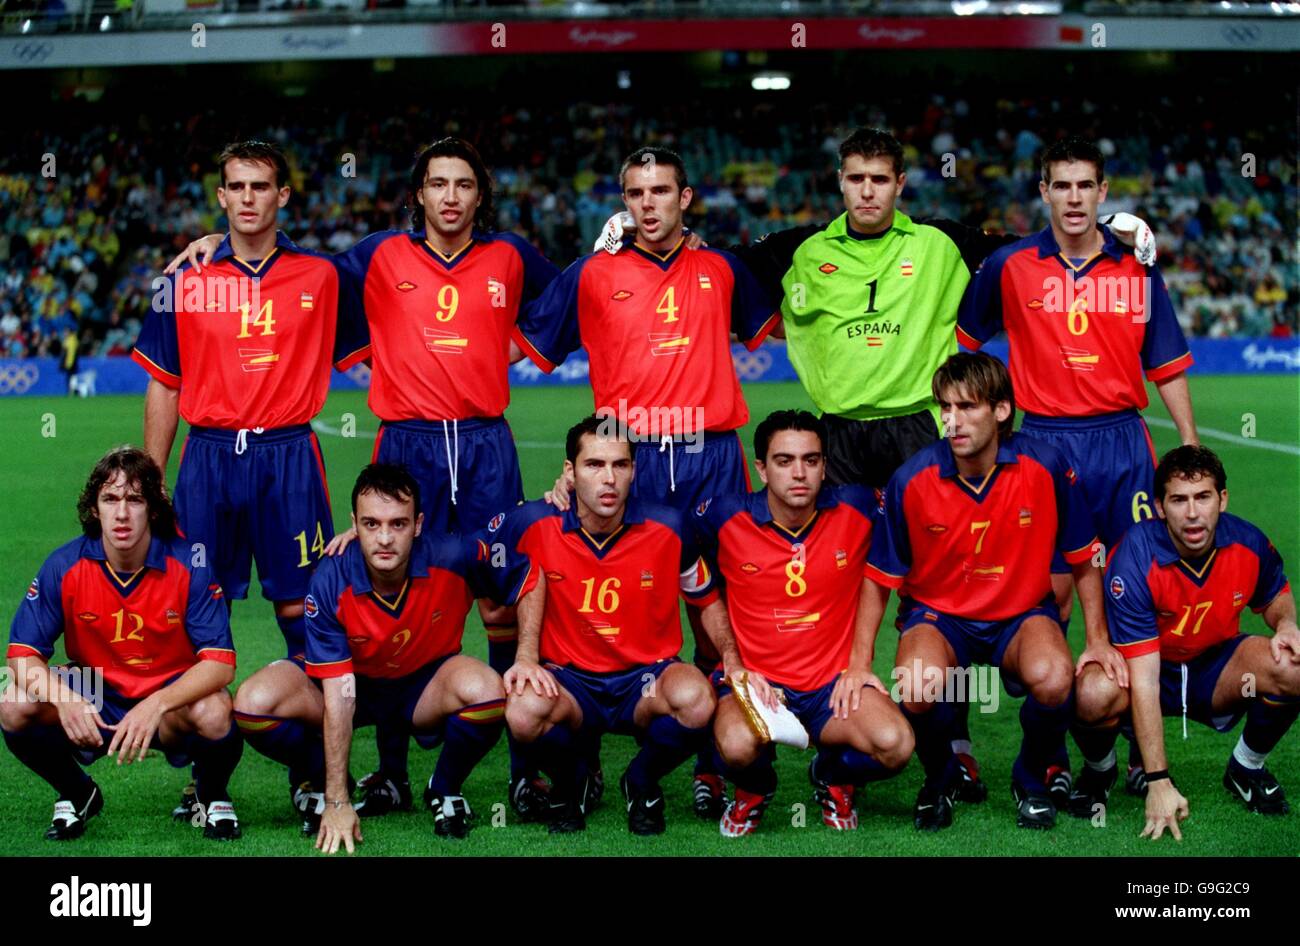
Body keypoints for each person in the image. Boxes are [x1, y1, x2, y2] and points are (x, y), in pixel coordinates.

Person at [167, 137, 561, 819]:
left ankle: (525, 770)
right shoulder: (375, 256)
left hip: (486, 444)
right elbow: (286, 259)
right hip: (406, 440)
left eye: (464, 184)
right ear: (417, 194)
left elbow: (581, 292)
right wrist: (220, 239)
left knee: (499, 602)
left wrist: (652, 242)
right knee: (390, 584)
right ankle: (390, 771)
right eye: (437, 183)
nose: (450, 196)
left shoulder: (512, 255)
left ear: (481, 195)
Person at [520, 146, 780, 820]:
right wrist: (579, 469)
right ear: (623, 202)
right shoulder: (592, 273)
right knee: (604, 609)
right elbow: (530, 343)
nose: (648, 204)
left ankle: (714, 764)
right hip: (628, 458)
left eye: (661, 191)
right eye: (635, 193)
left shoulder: (721, 268)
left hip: (710, 455)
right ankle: (585, 757)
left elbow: (779, 319)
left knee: (719, 611)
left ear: (685, 198)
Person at [957, 136, 1197, 801]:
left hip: (1122, 444)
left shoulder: (1137, 269)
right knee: (1051, 597)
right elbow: (966, 344)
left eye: (1084, 185)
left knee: (1133, 586)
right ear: (1043, 192)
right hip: (1044, 443)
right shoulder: (1010, 265)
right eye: (1060, 185)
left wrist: (1187, 445)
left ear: (1103, 192)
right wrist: (979, 426)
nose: (1072, 198)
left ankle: (1128, 740)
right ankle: (1051, 752)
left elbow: (1166, 363)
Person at [133, 139, 362, 664]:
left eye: (260, 186)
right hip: (208, 458)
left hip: (289, 454)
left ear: (282, 195)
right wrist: (152, 477)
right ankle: (200, 712)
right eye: (236, 187)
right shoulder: (184, 281)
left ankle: (309, 706)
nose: (248, 197)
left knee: (302, 603)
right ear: (221, 196)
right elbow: (165, 384)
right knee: (197, 598)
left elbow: (390, 307)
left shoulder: (322, 276)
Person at [860, 353, 1106, 831]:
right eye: (945, 408)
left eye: (967, 407)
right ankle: (942, 777)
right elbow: (878, 579)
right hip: (940, 616)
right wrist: (859, 663)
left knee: (1055, 676)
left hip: (1021, 614)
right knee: (916, 684)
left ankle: (1029, 777)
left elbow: (1084, 556)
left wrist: (1096, 640)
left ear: (1001, 410)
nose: (952, 421)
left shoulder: (1046, 465)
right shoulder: (911, 479)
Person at [234, 464, 534, 850]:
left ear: (418, 524)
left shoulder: (453, 554)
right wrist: (338, 800)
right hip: (353, 687)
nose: (385, 538)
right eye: (371, 524)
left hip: (423, 687)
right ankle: (321, 777)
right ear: (354, 525)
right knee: (254, 703)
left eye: (398, 524)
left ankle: (443, 787)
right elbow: (340, 693)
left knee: (487, 691)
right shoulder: (331, 577)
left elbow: (528, 576)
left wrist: (527, 655)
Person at [691, 410, 914, 836]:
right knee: (735, 746)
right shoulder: (723, 515)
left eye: (811, 460)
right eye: (784, 461)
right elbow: (670, 546)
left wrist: (860, 665)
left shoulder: (858, 506)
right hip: (758, 683)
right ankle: (755, 789)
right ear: (761, 468)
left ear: (824, 466)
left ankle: (831, 774)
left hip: (832, 687)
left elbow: (921, 499)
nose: (799, 473)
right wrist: (729, 658)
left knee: (896, 745)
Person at [2, 447, 243, 841]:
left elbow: (220, 664)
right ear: (94, 509)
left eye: (135, 499)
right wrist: (64, 699)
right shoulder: (64, 565)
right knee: (12, 701)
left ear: (153, 509)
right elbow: (21, 656)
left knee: (216, 710)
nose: (122, 513)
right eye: (110, 499)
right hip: (96, 689)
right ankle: (77, 793)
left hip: (169, 693)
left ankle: (210, 794)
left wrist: (157, 703)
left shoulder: (190, 563)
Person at [499, 416, 718, 834]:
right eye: (594, 465)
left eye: (620, 465)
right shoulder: (532, 523)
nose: (609, 478)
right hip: (570, 681)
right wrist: (523, 654)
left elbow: (707, 599)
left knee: (697, 701)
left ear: (634, 470)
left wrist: (731, 659)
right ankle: (572, 779)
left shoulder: (670, 527)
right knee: (523, 711)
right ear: (569, 471)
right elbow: (474, 562)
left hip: (645, 679)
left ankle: (641, 779)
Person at [1075, 446, 1298, 840]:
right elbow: (1144, 679)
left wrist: (1286, 624)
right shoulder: (1135, 556)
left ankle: (1246, 767)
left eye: (1203, 497)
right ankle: (1100, 770)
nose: (1193, 513)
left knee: (1293, 665)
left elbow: (1275, 592)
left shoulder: (1247, 541)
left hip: (1215, 667)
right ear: (1159, 507)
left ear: (1222, 499)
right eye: (1178, 500)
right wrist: (1158, 780)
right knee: (1093, 692)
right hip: (1149, 672)